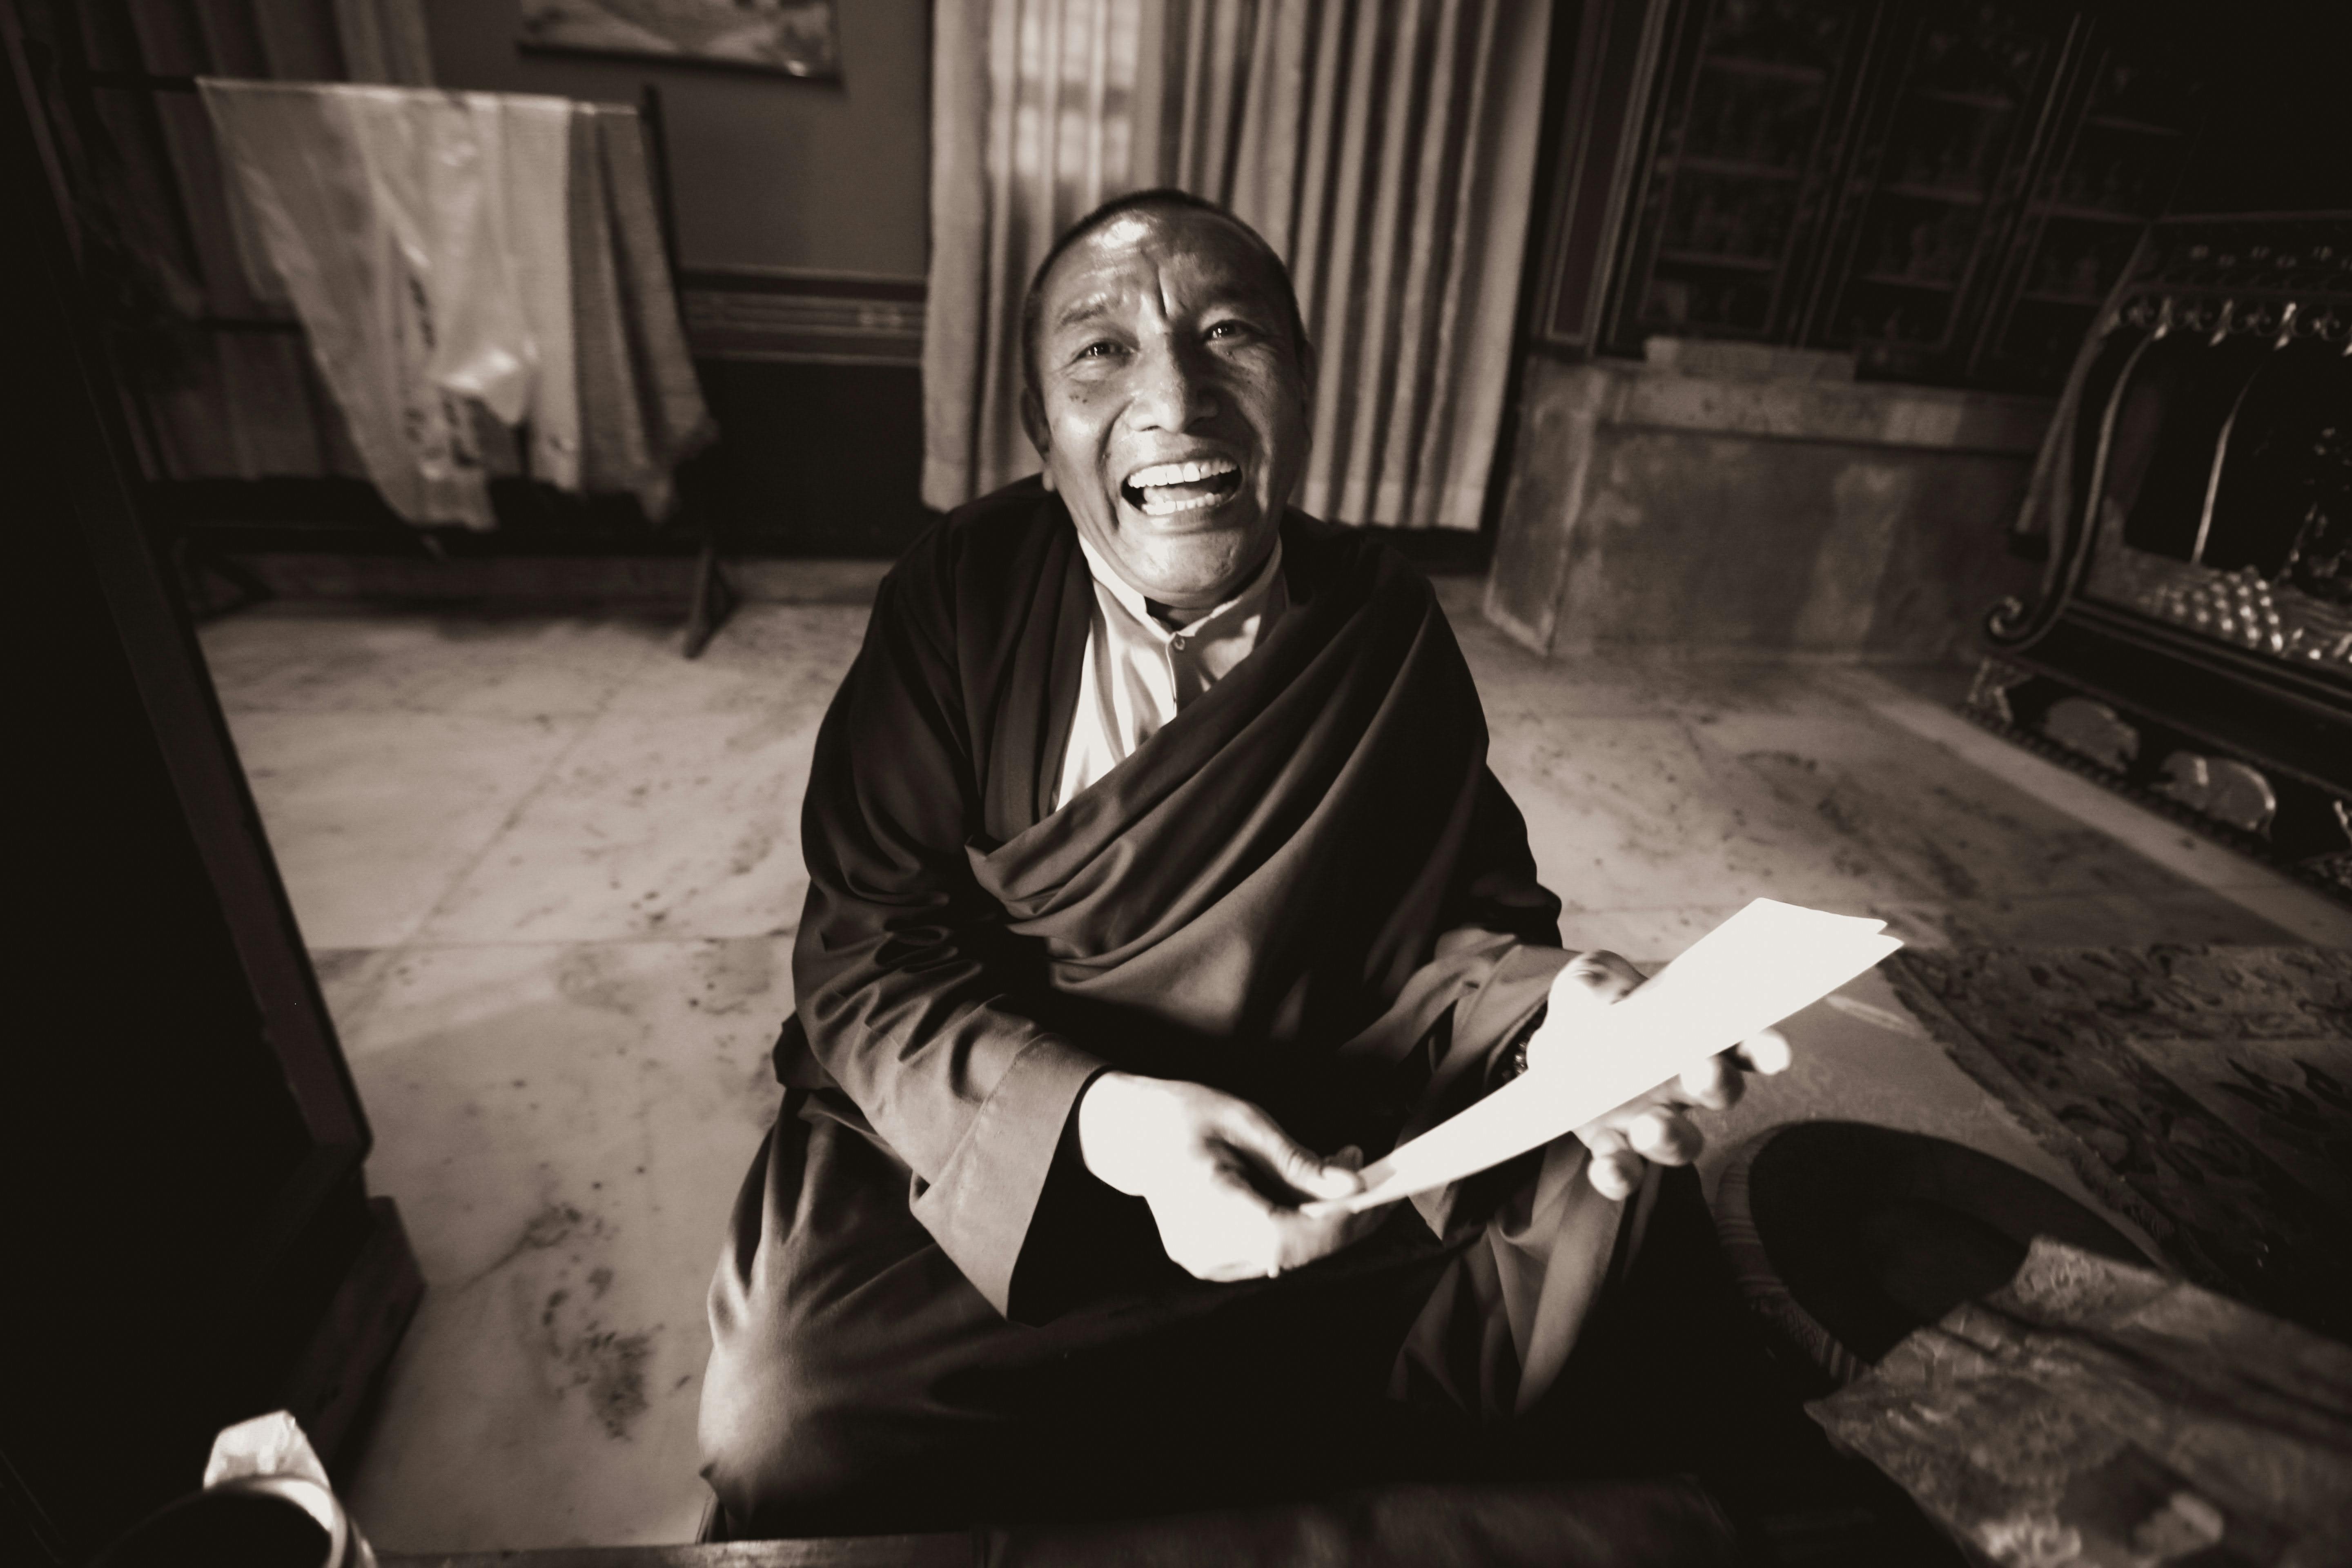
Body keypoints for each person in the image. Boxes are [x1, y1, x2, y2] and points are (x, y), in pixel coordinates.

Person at [696, 190, 1791, 1539]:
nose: (1178, 397)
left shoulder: (1379, 621)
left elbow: (1465, 931)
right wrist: (1110, 1124)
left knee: (1611, 1201)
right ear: (1044, 437)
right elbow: (866, 960)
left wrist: (1563, 1012)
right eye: (1102, 350)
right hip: (1017, 1134)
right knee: (792, 1414)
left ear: (1307, 395)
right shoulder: (960, 598)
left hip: (1314, 1111)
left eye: (1232, 337)